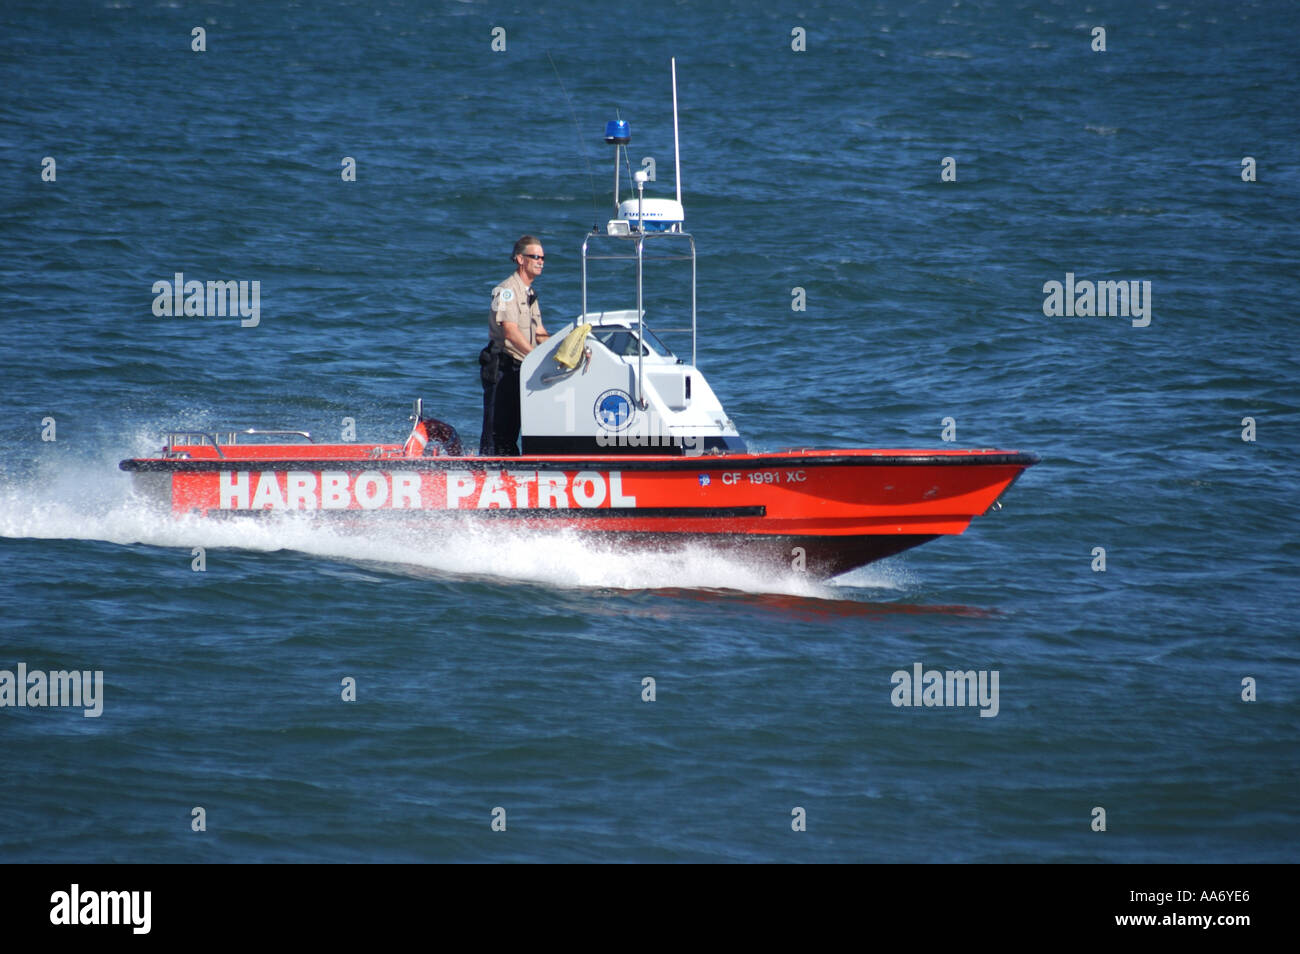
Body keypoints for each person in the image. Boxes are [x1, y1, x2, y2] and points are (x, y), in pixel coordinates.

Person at [479, 235, 550, 455]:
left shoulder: (530, 294)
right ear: (520, 259)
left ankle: (512, 468)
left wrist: (557, 354)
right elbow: (510, 333)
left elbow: (540, 333)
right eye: (535, 256)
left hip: (522, 366)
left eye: (543, 258)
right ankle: (489, 471)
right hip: (502, 365)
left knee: (515, 426)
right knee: (497, 431)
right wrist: (536, 358)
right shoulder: (506, 291)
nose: (540, 261)